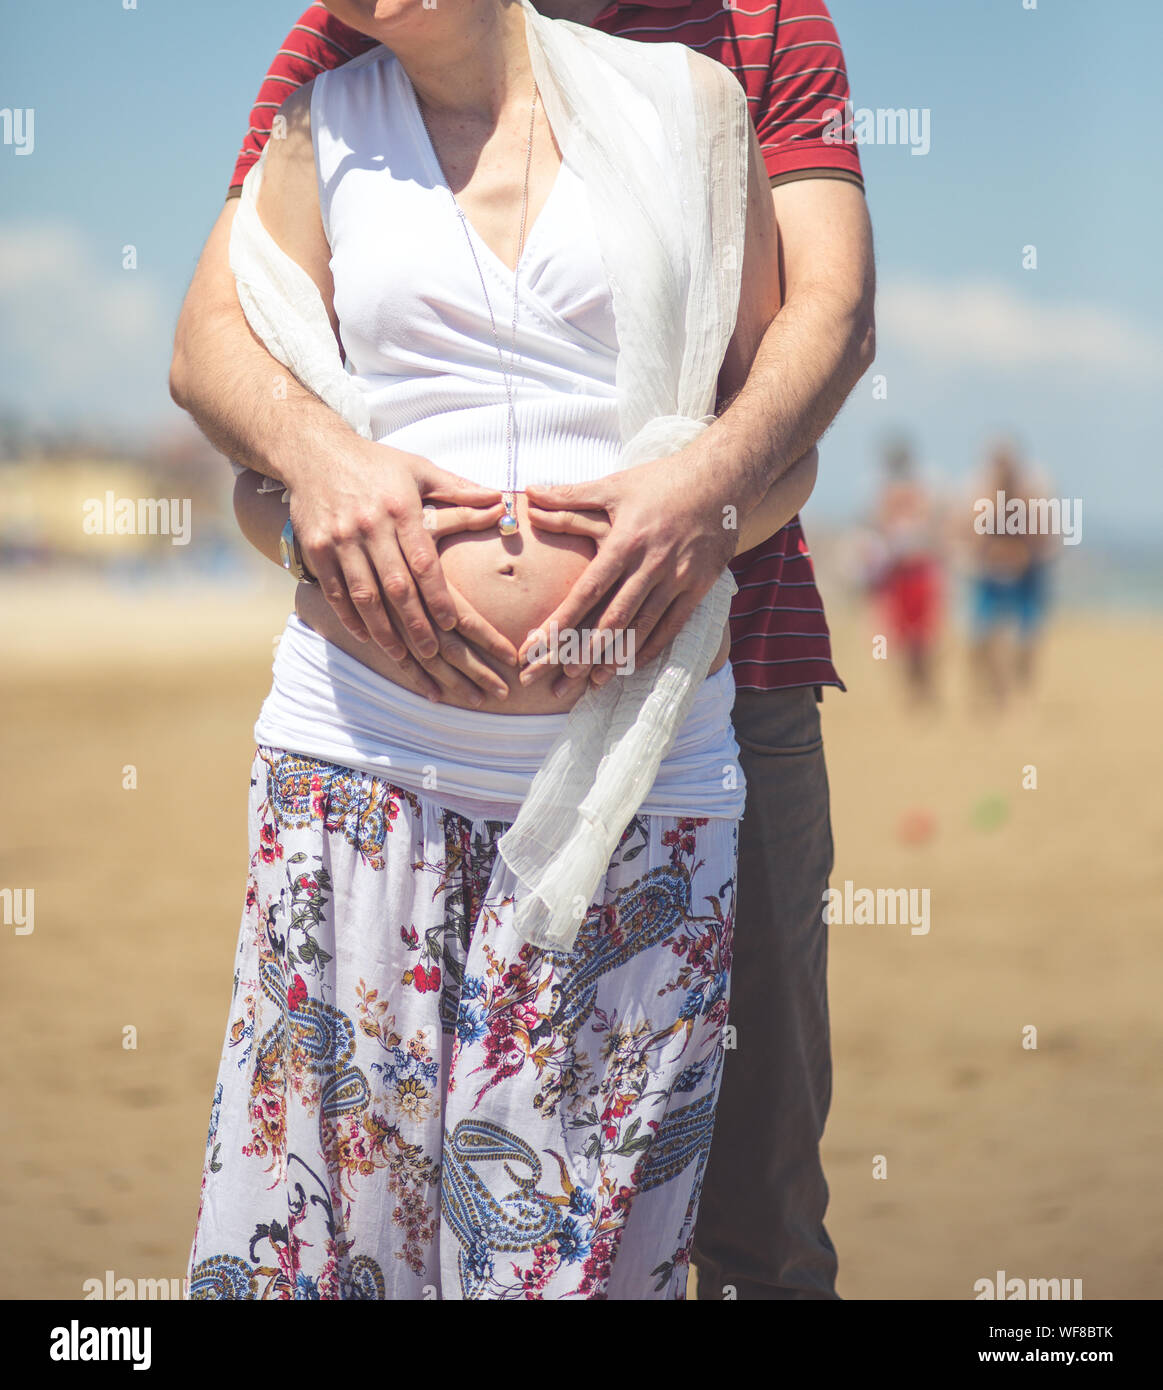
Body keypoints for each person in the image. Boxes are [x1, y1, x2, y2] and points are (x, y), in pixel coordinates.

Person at [171, 0, 876, 1300]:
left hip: (702, 698)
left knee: (737, 1195)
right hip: (370, 746)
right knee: (345, 1214)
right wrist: (311, 486)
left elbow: (822, 323)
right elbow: (232, 340)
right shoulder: (344, 56)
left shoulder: (752, 36)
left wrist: (704, 498)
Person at [965, 438, 1054, 706]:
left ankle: (1017, 683)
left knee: (1025, 639)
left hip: (1025, 571)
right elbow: (971, 537)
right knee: (981, 638)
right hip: (991, 572)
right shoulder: (979, 492)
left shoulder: (1032, 491)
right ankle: (996, 688)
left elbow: (1043, 537)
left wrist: (1020, 553)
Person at [869, 439, 944, 705]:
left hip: (918, 570)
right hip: (901, 573)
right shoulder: (886, 491)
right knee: (903, 638)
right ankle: (915, 691)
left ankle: (923, 689)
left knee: (922, 638)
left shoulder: (921, 488)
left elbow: (932, 531)